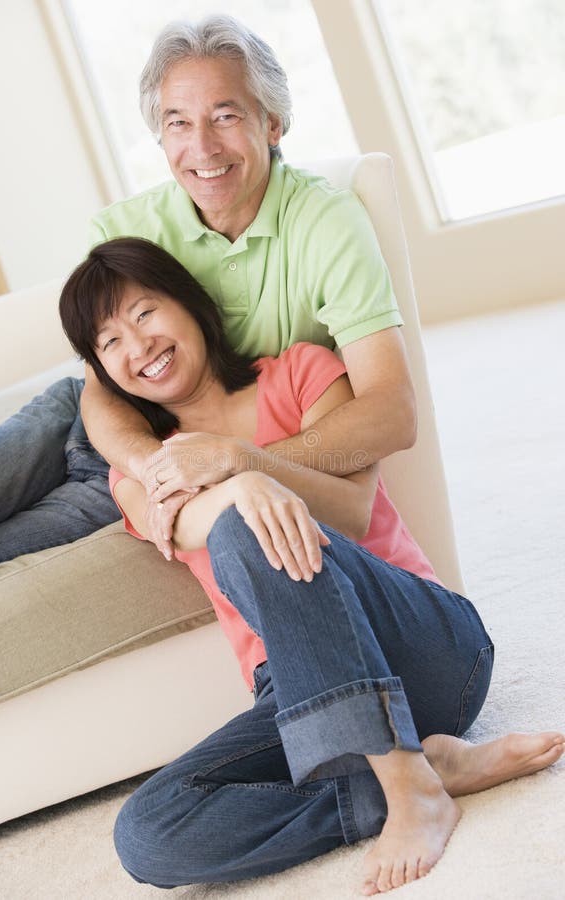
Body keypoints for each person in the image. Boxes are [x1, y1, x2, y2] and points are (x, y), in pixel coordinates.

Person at [59, 236, 564, 896]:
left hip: (429, 650)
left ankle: (410, 790)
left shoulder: (301, 372)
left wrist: (246, 463)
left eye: (146, 313)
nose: (138, 346)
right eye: (110, 342)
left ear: (189, 303)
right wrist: (237, 488)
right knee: (148, 834)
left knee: (246, 529)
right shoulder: (145, 468)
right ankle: (413, 775)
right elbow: (189, 523)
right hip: (304, 696)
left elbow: (353, 511)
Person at [0, 14, 416, 581]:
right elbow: (101, 392)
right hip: (126, 438)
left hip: (187, 452)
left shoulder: (328, 222)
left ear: (273, 123)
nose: (201, 147)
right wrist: (161, 468)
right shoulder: (125, 229)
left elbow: (392, 415)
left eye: (224, 116)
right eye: (178, 123)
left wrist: (230, 462)